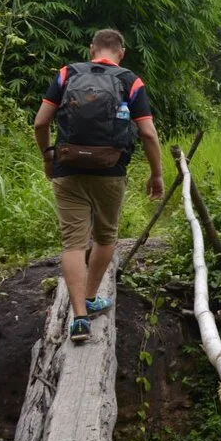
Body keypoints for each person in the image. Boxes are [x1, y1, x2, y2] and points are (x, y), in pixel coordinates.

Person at [32, 29, 165, 343]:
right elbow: (147, 133)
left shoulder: (66, 74)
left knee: (73, 243)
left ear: (92, 49)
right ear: (122, 52)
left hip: (67, 166)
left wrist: (48, 157)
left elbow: (40, 123)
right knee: (106, 236)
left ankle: (78, 317)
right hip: (110, 170)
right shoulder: (130, 81)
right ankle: (91, 297)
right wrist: (156, 174)